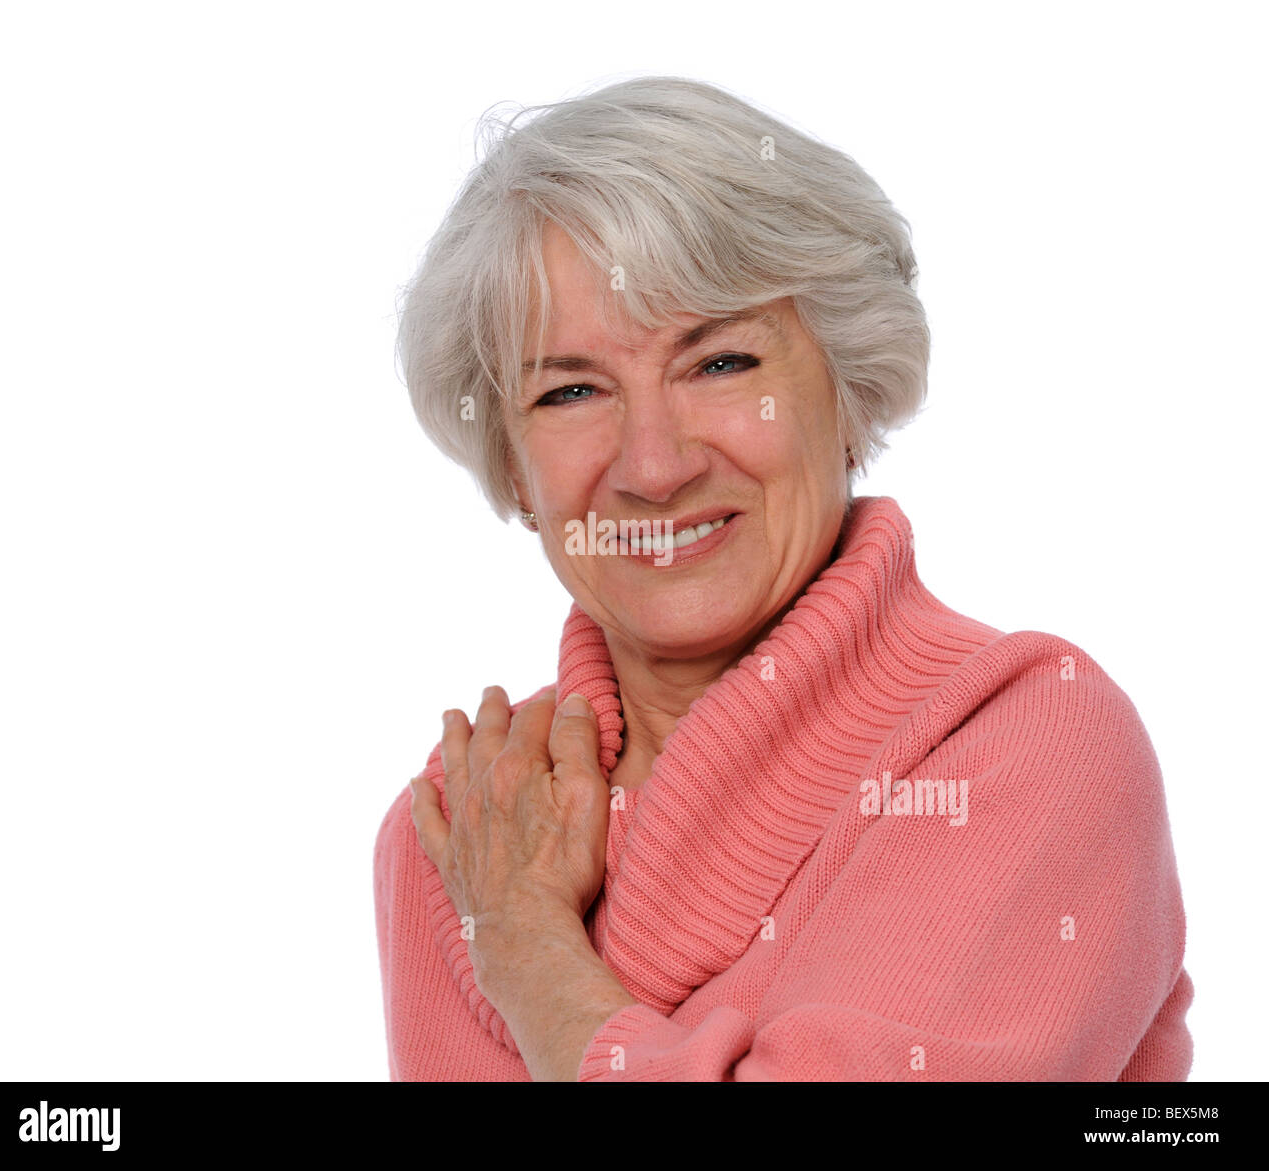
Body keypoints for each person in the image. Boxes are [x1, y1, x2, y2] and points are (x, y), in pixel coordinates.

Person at [373, 75, 1194, 1081]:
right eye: (572, 389)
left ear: (850, 389)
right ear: (511, 465)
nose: (653, 465)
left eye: (719, 364)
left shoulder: (1024, 740)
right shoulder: (468, 831)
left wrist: (532, 953)